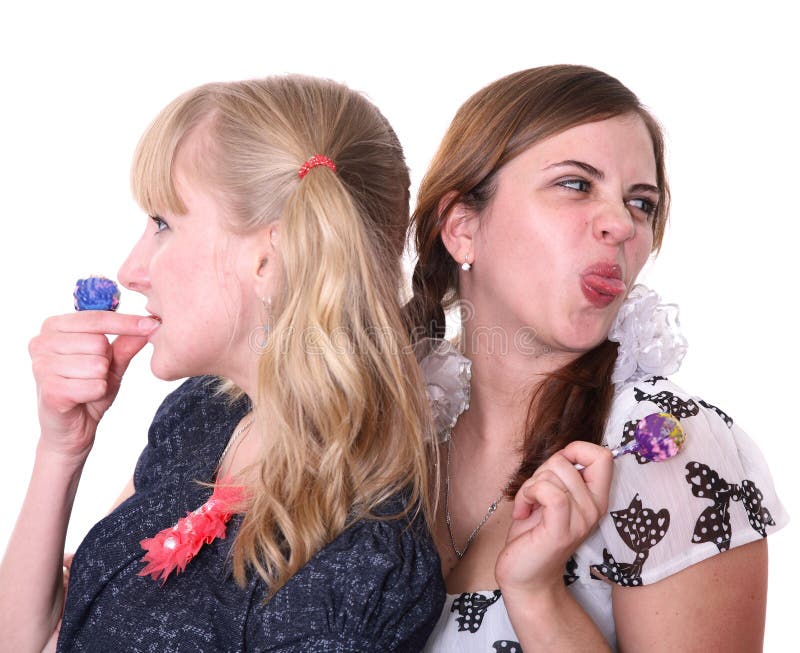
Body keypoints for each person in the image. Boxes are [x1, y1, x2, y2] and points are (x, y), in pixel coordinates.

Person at [0, 75, 444, 651]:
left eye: (163, 224)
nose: (131, 270)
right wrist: (62, 447)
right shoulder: (200, 417)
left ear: (269, 261)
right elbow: (22, 640)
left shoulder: (360, 560)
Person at [407, 65, 788, 651]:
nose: (620, 226)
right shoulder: (391, 449)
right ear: (462, 228)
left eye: (640, 202)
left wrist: (538, 597)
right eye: (576, 185)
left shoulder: (662, 444)